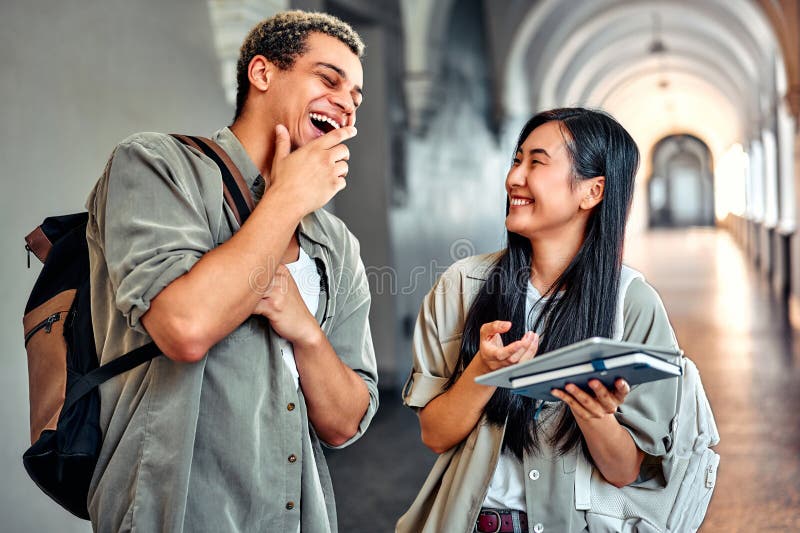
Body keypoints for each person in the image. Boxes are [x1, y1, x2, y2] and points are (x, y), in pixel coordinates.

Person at [85, 11, 378, 533]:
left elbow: (345, 422)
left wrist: (305, 331)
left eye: (355, 98)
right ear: (262, 74)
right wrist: (286, 199)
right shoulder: (156, 165)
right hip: (172, 513)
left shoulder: (337, 245)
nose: (346, 104)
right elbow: (185, 328)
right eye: (328, 79)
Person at [397, 108, 681, 533]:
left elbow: (625, 471)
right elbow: (435, 435)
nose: (514, 178)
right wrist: (483, 372)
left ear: (593, 191)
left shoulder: (632, 303)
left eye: (537, 162)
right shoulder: (462, 286)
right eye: (516, 159)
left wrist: (593, 413)